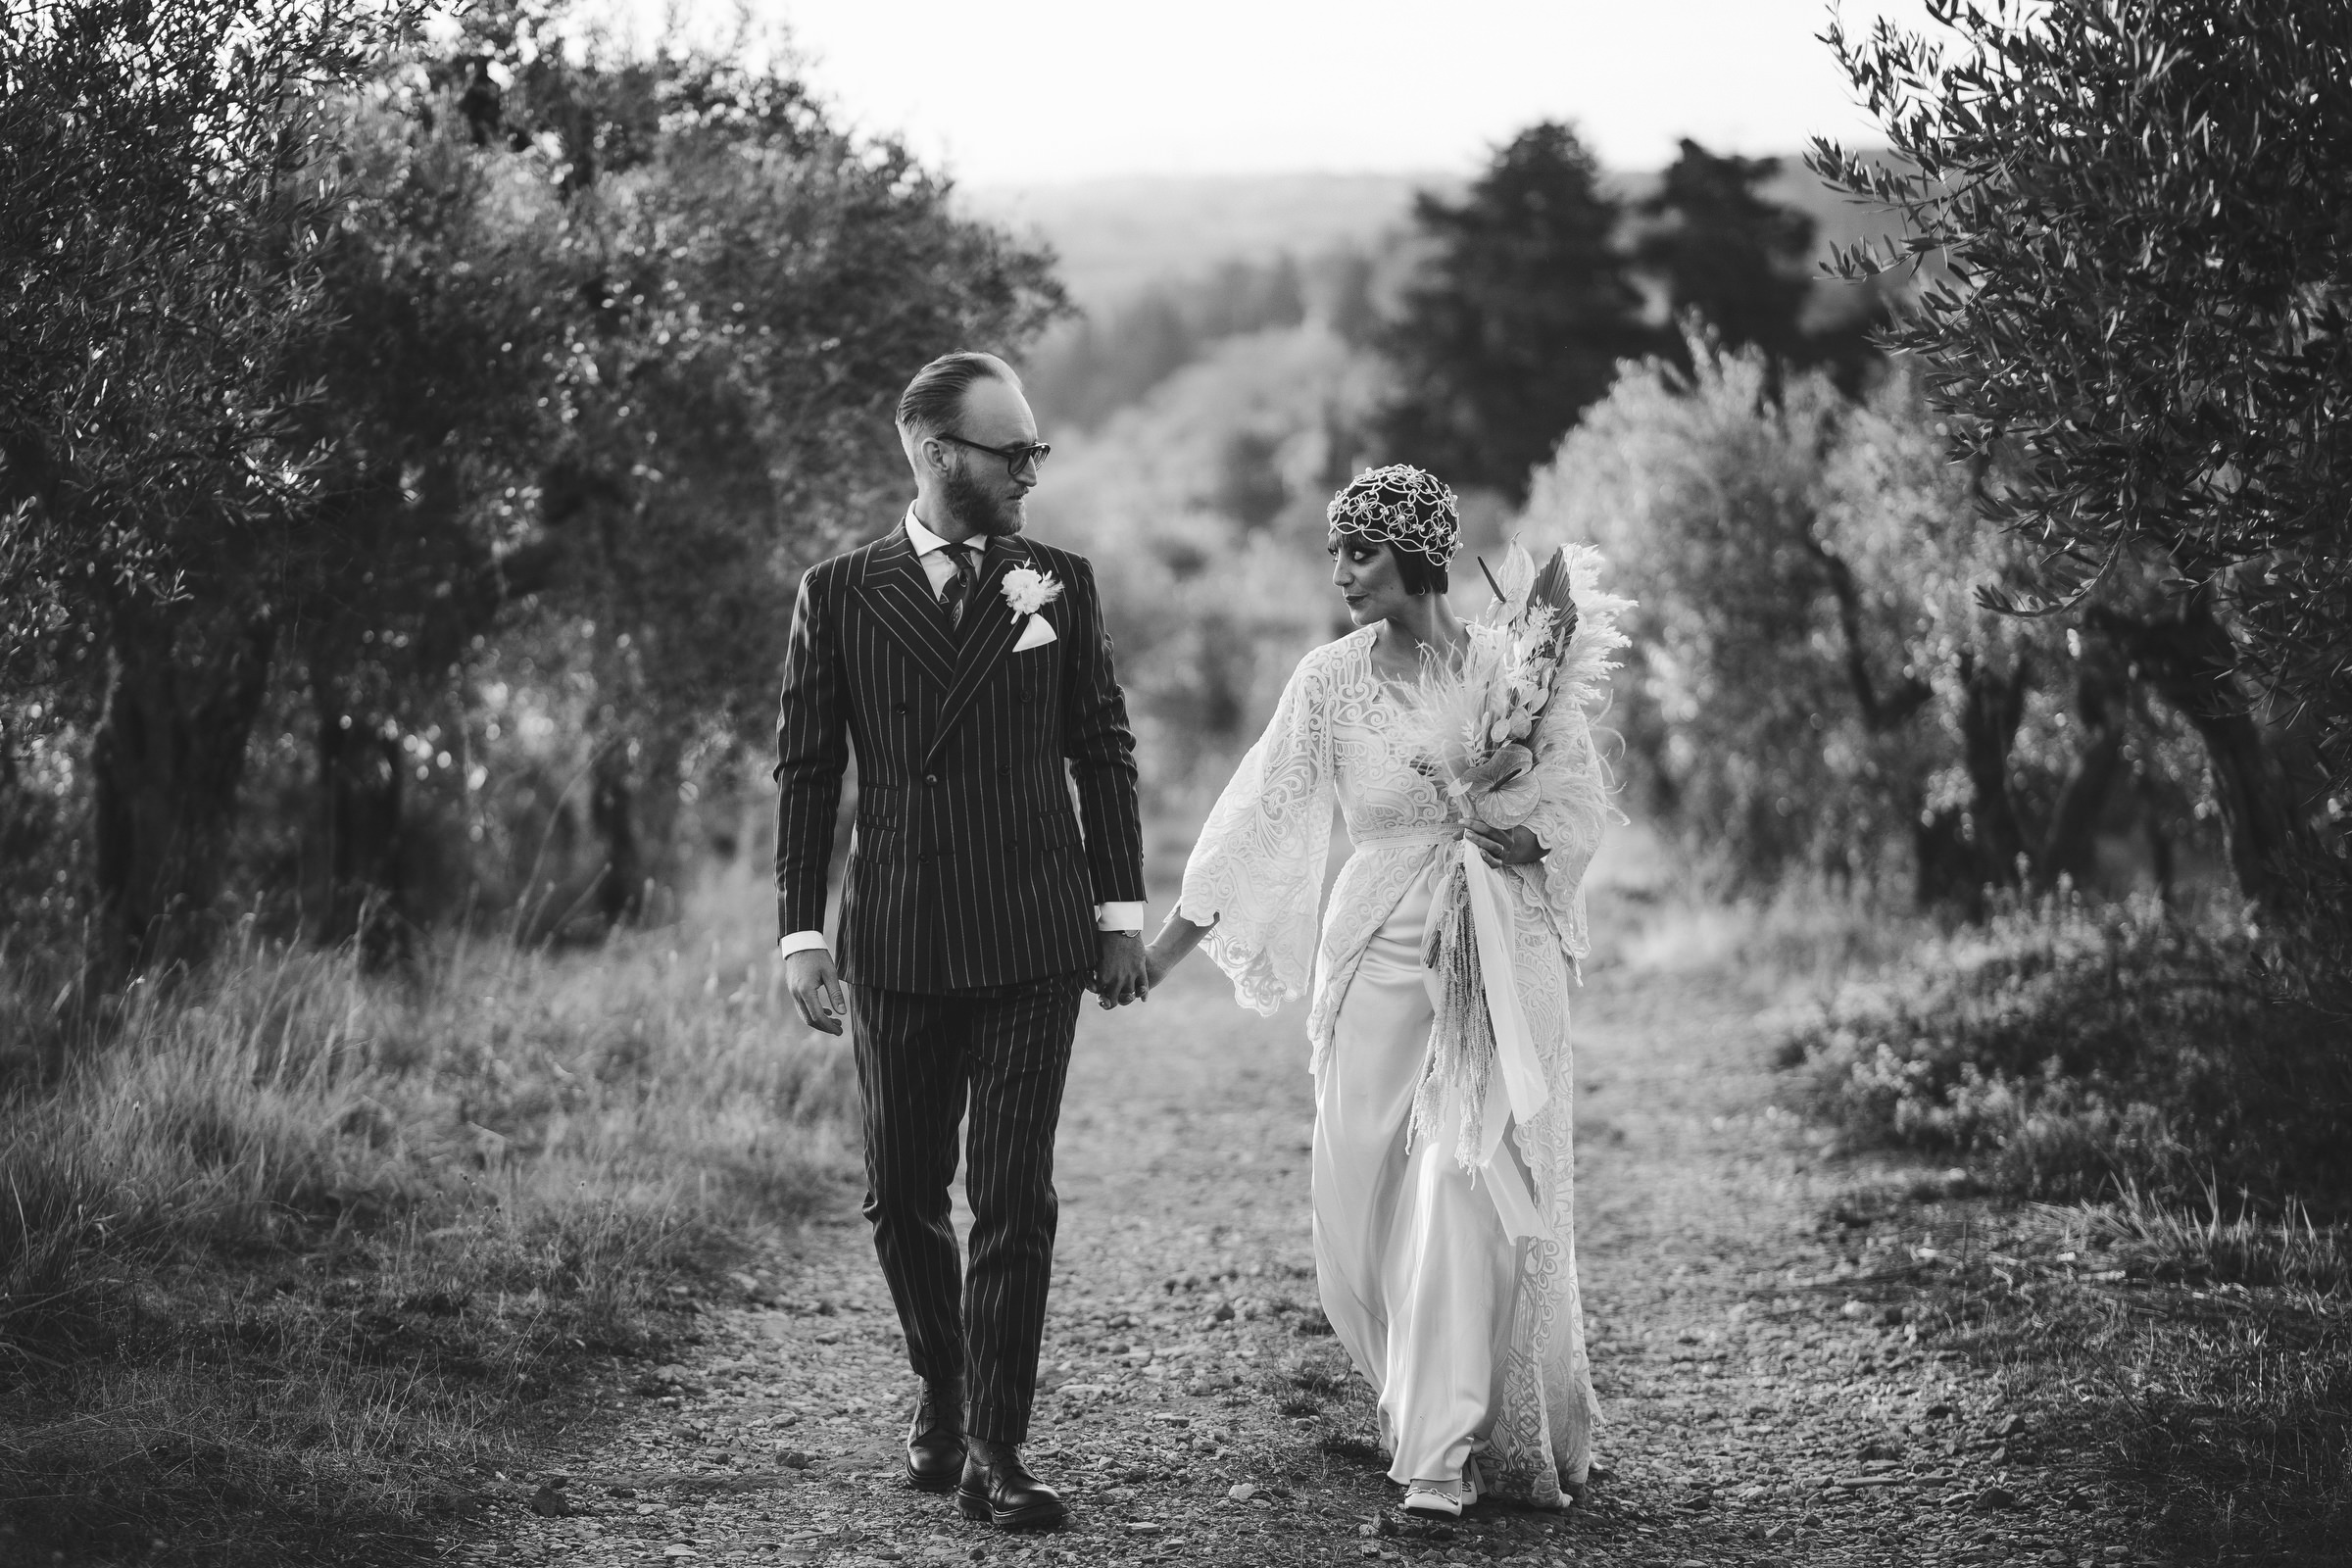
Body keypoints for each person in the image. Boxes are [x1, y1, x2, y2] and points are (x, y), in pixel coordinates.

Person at [1142, 466, 1611, 1517]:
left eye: (1359, 550)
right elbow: (1261, 810)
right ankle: (1421, 1391)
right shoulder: (1326, 681)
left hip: (1496, 942)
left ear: (1414, 555)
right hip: (1374, 948)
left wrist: (1530, 836)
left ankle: (1444, 1449)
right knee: (1360, 1188)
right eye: (1335, 551)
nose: (1342, 571)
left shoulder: (1514, 671)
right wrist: (1164, 950)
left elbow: (1579, 806)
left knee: (1466, 1172)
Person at [773, 351, 1152, 1532]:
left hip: (1034, 927)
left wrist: (1119, 915)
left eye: (1035, 449)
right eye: (1013, 451)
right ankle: (941, 1377)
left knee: (1012, 1194)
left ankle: (998, 1439)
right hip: (897, 932)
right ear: (940, 455)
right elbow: (807, 771)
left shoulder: (1059, 582)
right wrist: (800, 931)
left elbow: (1104, 748)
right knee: (899, 1194)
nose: (1032, 469)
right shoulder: (836, 591)